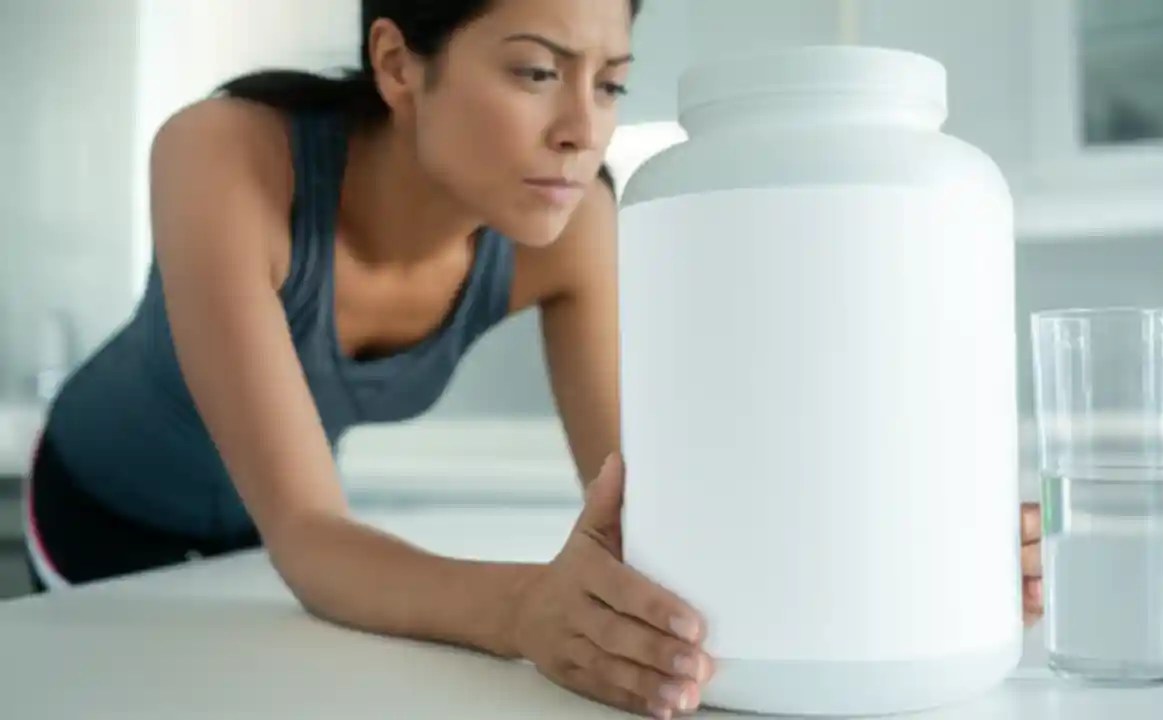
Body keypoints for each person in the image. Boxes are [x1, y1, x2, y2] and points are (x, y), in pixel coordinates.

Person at [19, 1, 1044, 717]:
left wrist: (917, 551)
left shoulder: (578, 224)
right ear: (396, 64)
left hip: (264, 547)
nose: (580, 129)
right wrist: (524, 610)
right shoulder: (222, 153)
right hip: (102, 519)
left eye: (610, 84)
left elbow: (646, 508)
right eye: (536, 71)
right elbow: (313, 532)